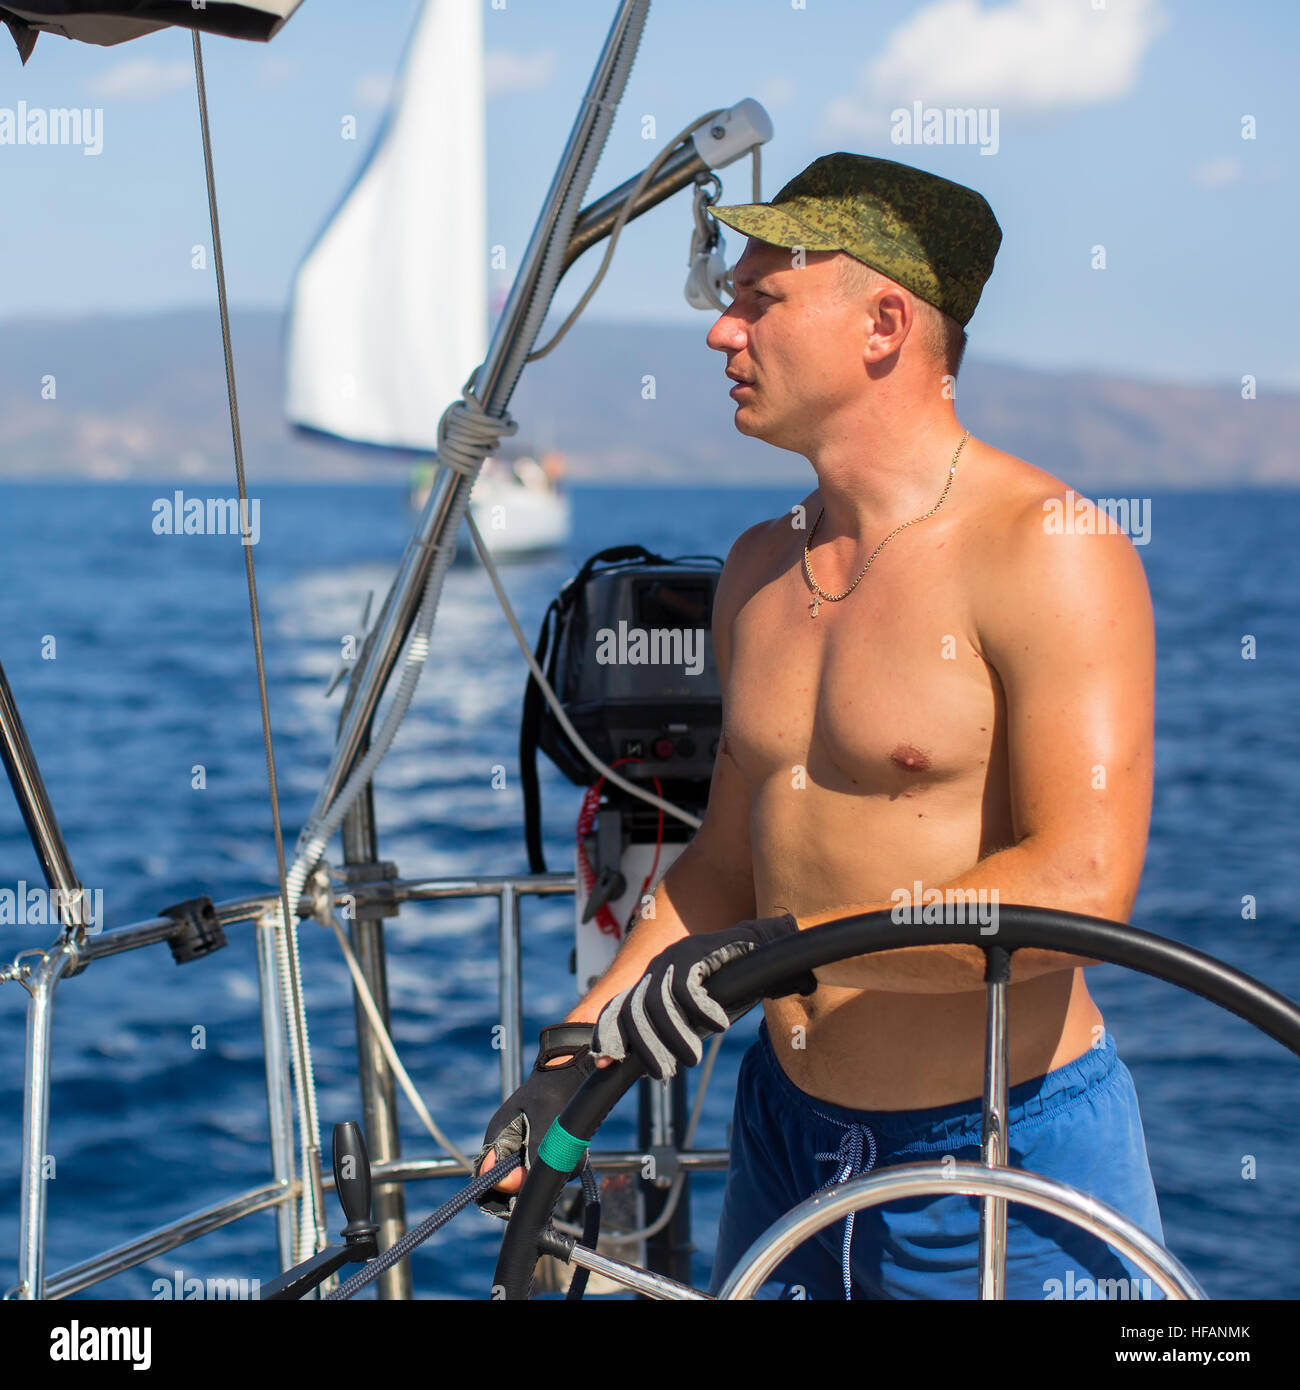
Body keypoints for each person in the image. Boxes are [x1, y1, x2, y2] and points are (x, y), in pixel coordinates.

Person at [478, 152, 1164, 1300]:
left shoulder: (1047, 548)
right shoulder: (757, 567)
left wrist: (768, 955)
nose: (719, 333)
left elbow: (1078, 898)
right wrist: (579, 1045)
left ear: (883, 323)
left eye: (758, 300)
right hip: (784, 1141)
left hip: (995, 1160)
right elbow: (726, 863)